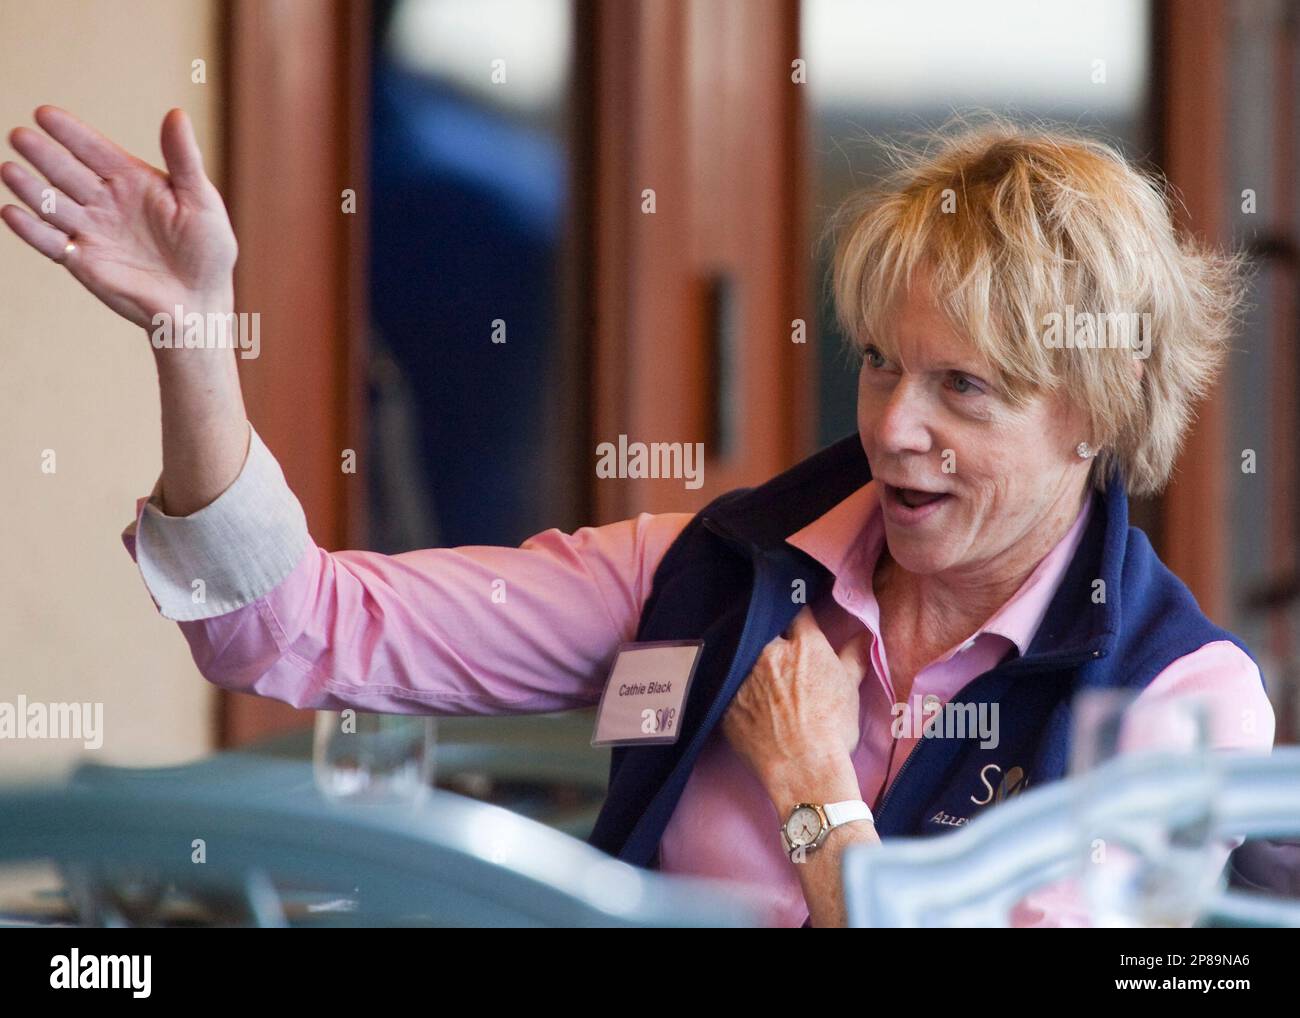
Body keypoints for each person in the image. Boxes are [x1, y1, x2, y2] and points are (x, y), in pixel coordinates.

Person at [1, 107, 1274, 928]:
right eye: (880, 363)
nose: (891, 426)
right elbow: (296, 627)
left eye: (964, 389)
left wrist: (812, 787)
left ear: (1096, 413)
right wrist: (194, 340)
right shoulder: (711, 571)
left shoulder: (1173, 696)